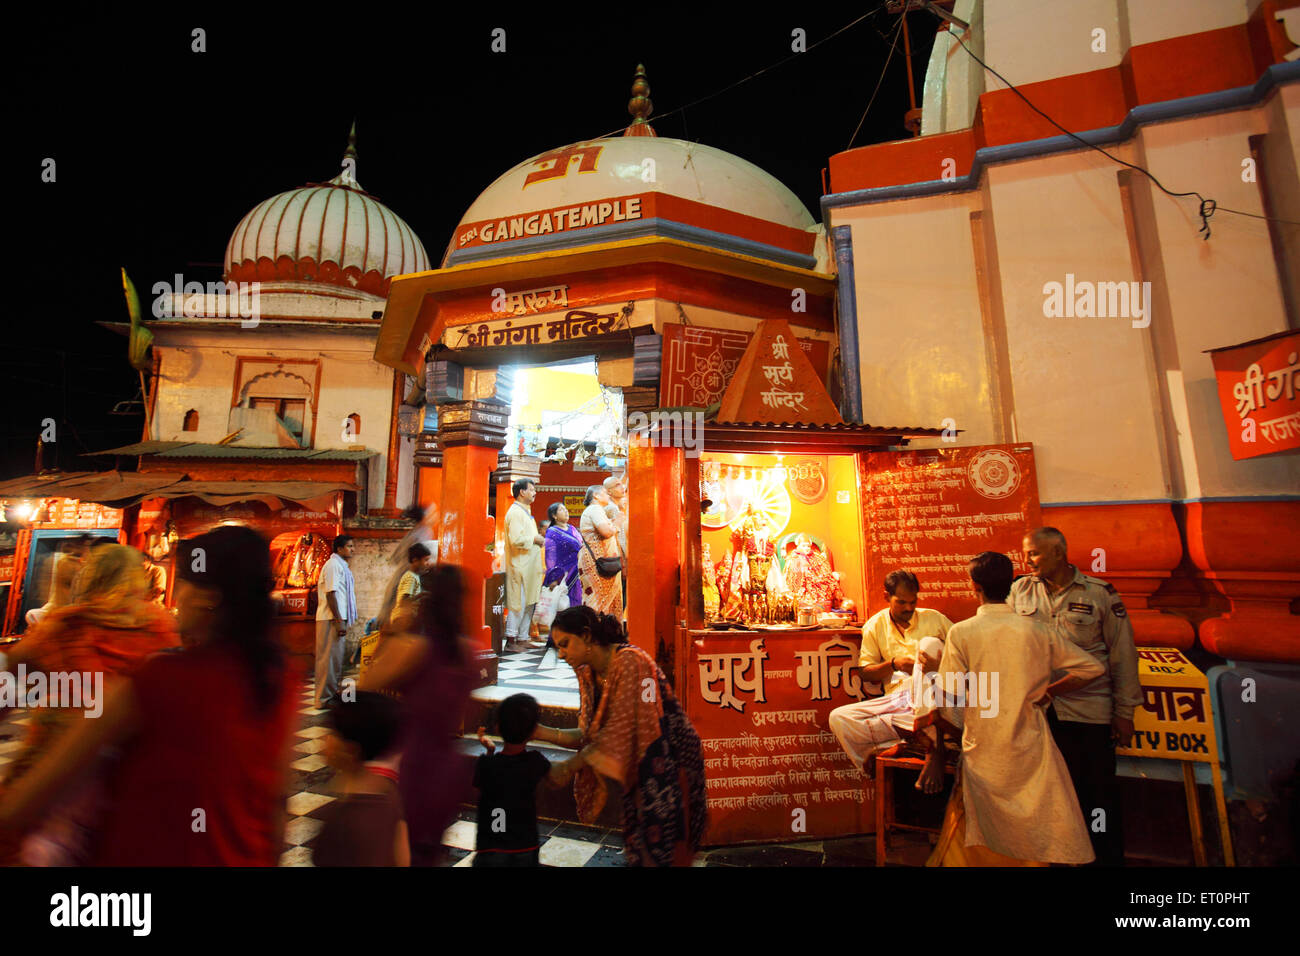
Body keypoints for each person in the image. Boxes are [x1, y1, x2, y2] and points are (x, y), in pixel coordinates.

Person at [0, 526, 299, 865]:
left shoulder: (152, 676)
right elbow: (277, 802)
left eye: (181, 583)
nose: (174, 596)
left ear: (207, 597)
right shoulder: (280, 677)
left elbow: (44, 784)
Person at [921, 551, 1104, 866]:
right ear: (1011, 584)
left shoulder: (963, 632)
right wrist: (1048, 692)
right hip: (1029, 739)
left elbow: (951, 693)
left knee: (984, 825)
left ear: (974, 586)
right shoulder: (1036, 629)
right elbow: (1092, 668)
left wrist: (937, 668)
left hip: (985, 739)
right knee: (1032, 818)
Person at [0, 545, 180, 865]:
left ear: (91, 577)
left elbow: (10, 680)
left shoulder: (69, 624)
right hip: (131, 776)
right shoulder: (161, 626)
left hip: (58, 767)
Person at [533, 606, 707, 866]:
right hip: (637, 773)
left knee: (664, 850)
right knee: (640, 845)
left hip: (669, 765)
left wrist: (569, 767)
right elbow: (590, 734)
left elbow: (618, 732)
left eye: (566, 644)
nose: (561, 654)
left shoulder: (630, 662)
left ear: (587, 636)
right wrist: (539, 732)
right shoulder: (587, 673)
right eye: (558, 647)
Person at [1010, 526, 1140, 866]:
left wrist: (1125, 712)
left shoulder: (1099, 594)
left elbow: (1122, 654)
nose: (1028, 561)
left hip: (1088, 713)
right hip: (1039, 714)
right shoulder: (1020, 592)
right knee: (1050, 796)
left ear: (1059, 553)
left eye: (1035, 553)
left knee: (1097, 797)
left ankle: (1104, 860)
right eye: (1026, 554)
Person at [359, 564, 477, 866]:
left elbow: (363, 687)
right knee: (426, 850)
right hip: (448, 769)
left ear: (427, 600)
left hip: (411, 766)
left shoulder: (413, 648)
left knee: (400, 852)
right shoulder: (469, 652)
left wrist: (394, 631)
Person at [827, 570, 952, 775]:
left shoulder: (935, 620)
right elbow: (866, 672)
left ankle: (917, 739)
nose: (909, 608)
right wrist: (894, 664)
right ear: (887, 596)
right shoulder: (874, 626)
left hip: (932, 700)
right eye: (902, 602)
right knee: (838, 718)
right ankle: (887, 756)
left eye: (913, 602)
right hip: (897, 703)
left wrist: (934, 668)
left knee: (929, 647)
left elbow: (964, 656)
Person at [313, 692, 409, 867]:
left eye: (332, 732)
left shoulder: (346, 818)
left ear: (350, 749)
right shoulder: (389, 793)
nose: (324, 739)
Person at [472, 693, 551, 867]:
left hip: (491, 847)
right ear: (533, 732)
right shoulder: (535, 761)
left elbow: (478, 792)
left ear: (498, 728)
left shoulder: (485, 764)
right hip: (524, 846)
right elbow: (555, 778)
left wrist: (490, 752)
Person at [315, 535, 357, 708]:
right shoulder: (333, 565)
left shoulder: (341, 566)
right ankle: (324, 699)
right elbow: (331, 593)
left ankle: (329, 695)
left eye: (353, 546)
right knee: (328, 660)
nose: (352, 549)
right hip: (331, 618)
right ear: (339, 549)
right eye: (349, 546)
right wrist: (339, 620)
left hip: (336, 617)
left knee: (335, 659)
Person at [504, 479, 545, 650]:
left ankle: (522, 637)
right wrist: (534, 539)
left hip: (529, 565)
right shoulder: (515, 512)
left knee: (530, 602)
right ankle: (511, 639)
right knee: (518, 602)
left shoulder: (525, 511)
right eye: (532, 490)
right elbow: (516, 540)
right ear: (522, 492)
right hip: (519, 565)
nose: (535, 493)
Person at [540, 502, 583, 647]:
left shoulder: (572, 529)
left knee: (576, 606)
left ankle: (573, 639)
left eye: (566, 509)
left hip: (577, 574)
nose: (566, 512)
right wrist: (553, 577)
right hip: (563, 575)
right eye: (561, 510)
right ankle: (556, 639)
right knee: (561, 608)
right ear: (554, 515)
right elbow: (550, 556)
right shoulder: (552, 532)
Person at [577, 484, 623, 619]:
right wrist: (618, 522)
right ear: (596, 496)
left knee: (601, 600)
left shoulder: (597, 510)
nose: (608, 495)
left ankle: (602, 636)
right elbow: (607, 532)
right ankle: (595, 636)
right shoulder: (595, 509)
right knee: (596, 601)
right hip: (597, 564)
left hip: (602, 562)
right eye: (605, 492)